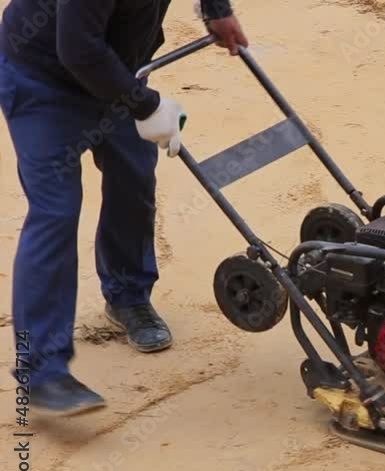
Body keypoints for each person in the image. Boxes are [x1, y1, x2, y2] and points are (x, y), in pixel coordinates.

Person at [0, 0, 248, 415]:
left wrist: (216, 9)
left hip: (116, 70)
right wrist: (147, 105)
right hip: (42, 80)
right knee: (55, 212)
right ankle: (41, 371)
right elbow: (77, 47)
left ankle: (128, 296)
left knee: (134, 181)